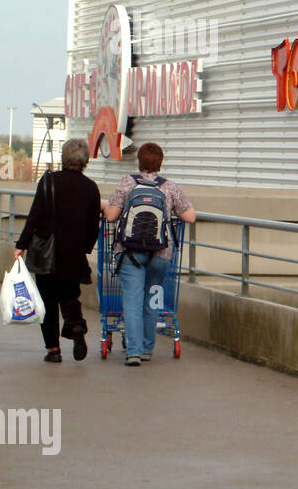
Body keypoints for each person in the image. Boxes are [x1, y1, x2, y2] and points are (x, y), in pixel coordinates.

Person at [103, 142, 196, 366]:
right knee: (152, 299)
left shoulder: (127, 182)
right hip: (161, 254)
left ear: (139, 161)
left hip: (129, 252)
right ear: (160, 163)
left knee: (133, 301)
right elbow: (190, 217)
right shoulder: (170, 187)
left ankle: (133, 353)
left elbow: (112, 216)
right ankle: (147, 348)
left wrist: (104, 204)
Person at [14, 138, 101, 362]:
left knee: (48, 300)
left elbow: (35, 215)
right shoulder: (91, 187)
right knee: (70, 296)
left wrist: (21, 245)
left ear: (64, 158)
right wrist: (85, 248)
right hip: (74, 253)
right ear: (85, 161)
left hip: (47, 252)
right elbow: (93, 225)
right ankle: (76, 327)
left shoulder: (48, 181)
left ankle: (53, 350)